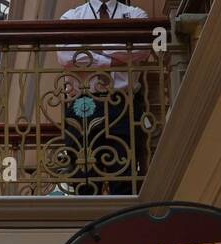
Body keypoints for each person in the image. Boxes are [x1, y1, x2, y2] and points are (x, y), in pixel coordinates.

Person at [56, 1, 153, 195]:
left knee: (124, 174)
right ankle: (88, 222)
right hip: (84, 101)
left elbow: (142, 47)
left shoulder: (135, 14)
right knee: (84, 178)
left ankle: (121, 224)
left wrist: (93, 46)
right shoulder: (71, 17)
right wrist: (112, 58)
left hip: (124, 102)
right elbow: (66, 56)